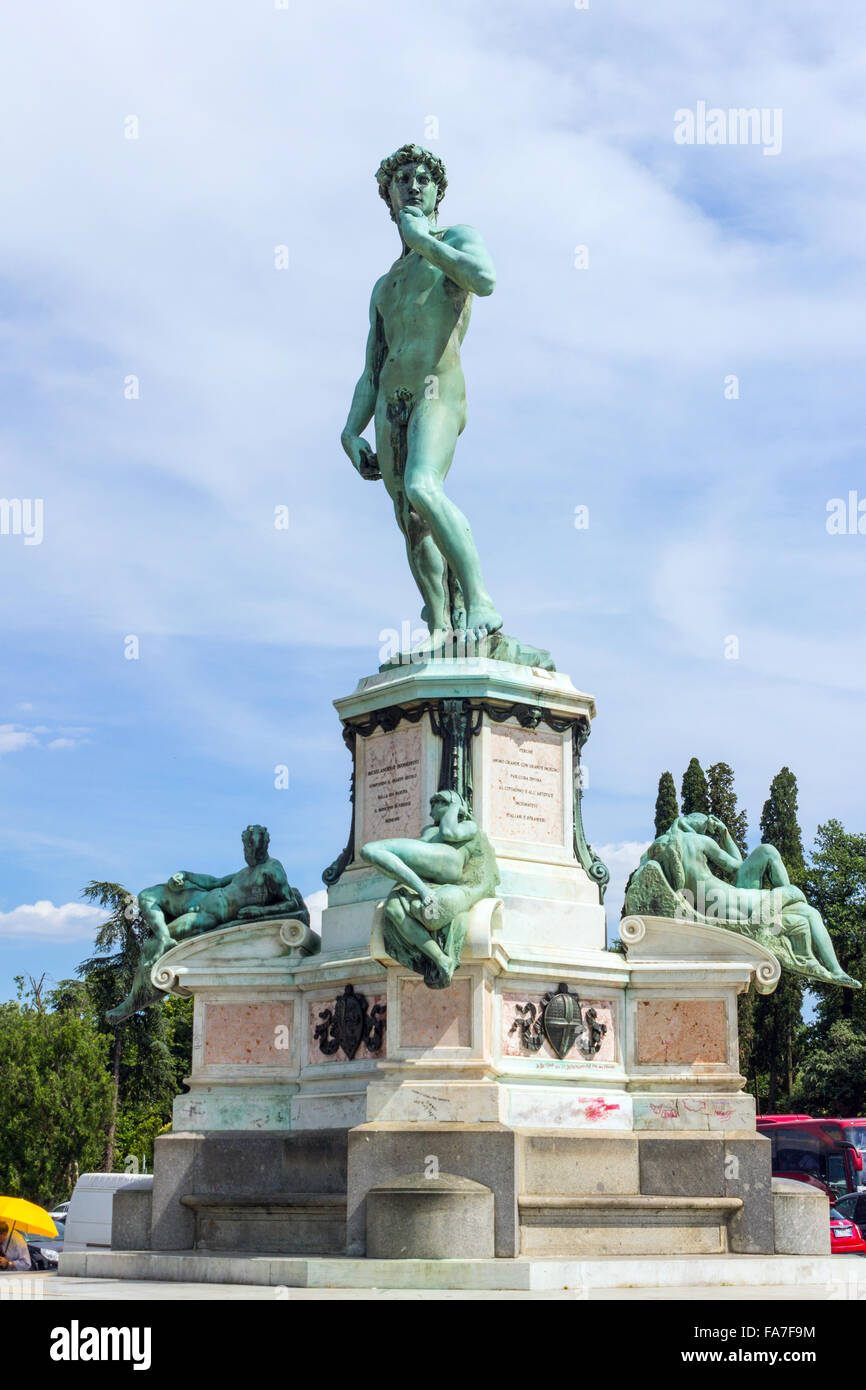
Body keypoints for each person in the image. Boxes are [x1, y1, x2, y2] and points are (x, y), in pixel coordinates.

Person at [341, 143, 502, 641]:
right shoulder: (384, 285)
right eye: (403, 179)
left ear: (437, 193)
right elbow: (371, 367)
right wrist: (351, 430)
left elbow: (484, 279)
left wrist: (422, 240)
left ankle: (480, 602)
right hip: (392, 399)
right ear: (388, 198)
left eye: (423, 178)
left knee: (421, 486)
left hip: (439, 389)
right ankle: (439, 624)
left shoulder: (457, 237)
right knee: (411, 521)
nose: (414, 185)